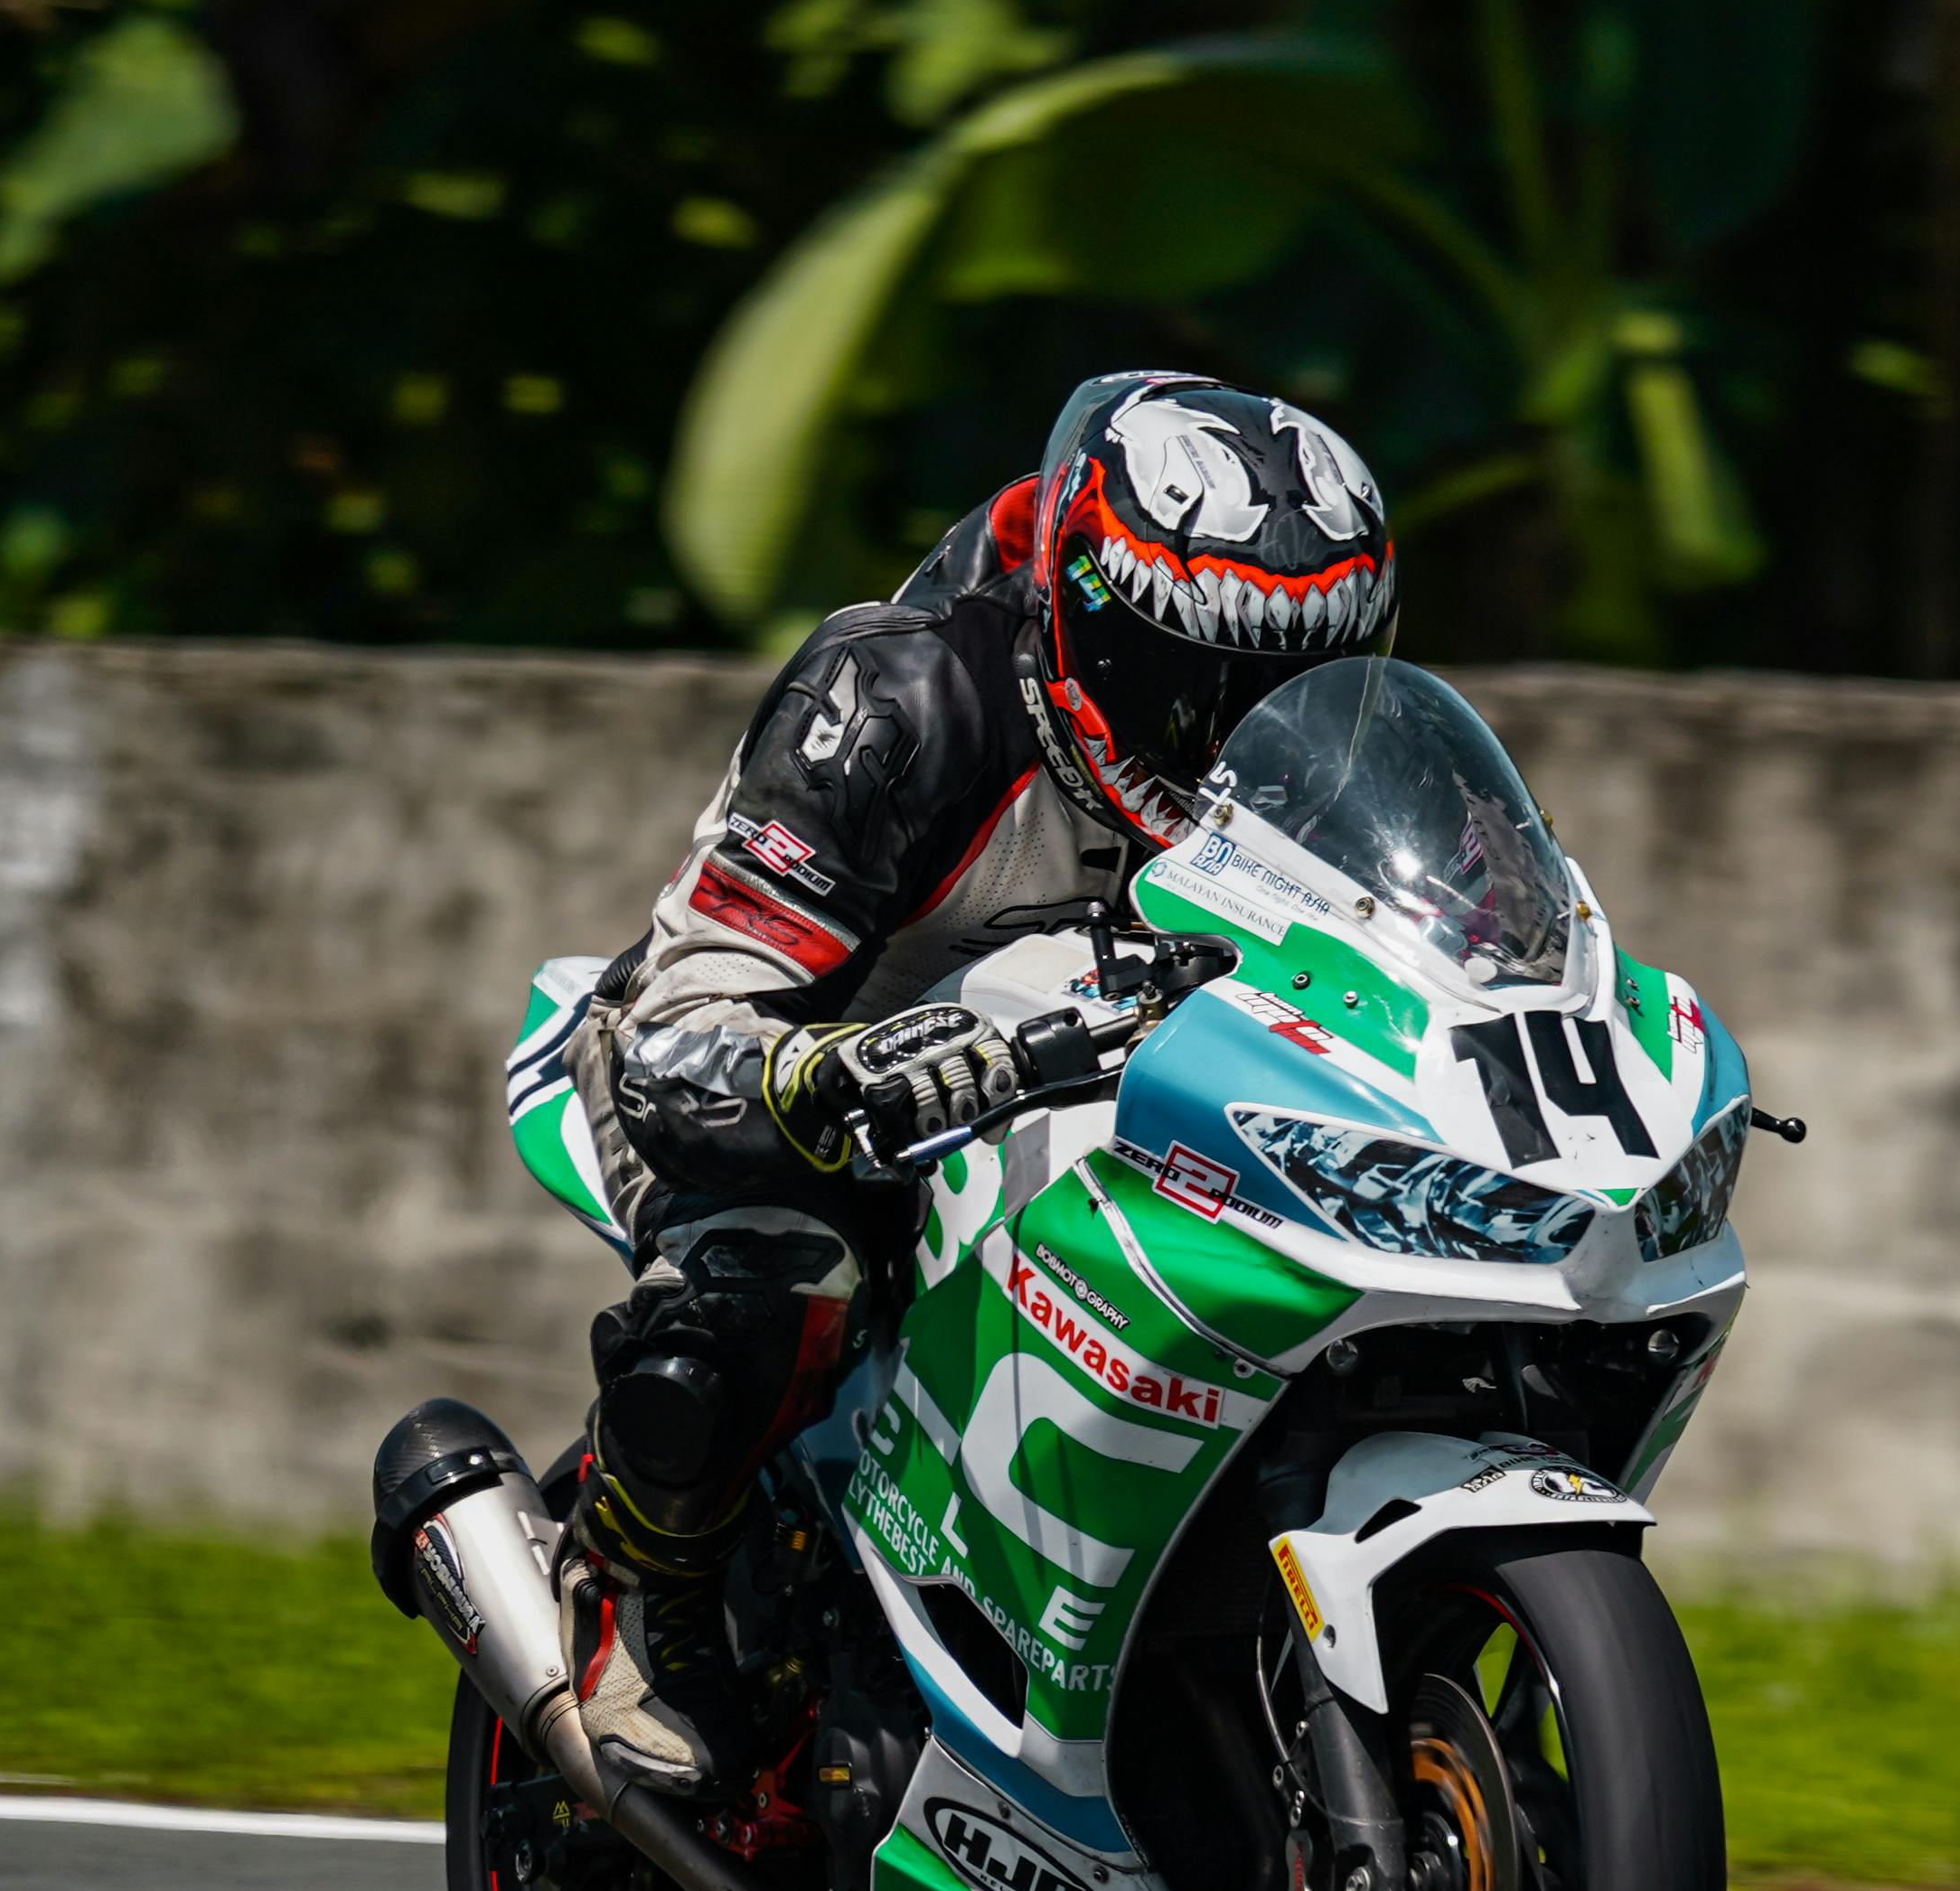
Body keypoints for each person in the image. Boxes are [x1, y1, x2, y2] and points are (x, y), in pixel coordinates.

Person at [549, 370, 1400, 1795]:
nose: (1226, 738)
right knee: (782, 1271)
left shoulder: (1325, 778)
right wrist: (841, 1078)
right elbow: (681, 1030)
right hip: (779, 1080)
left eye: (1286, 691)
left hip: (1095, 1092)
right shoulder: (898, 700)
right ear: (1082, 611)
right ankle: (635, 1594)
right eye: (1184, 683)